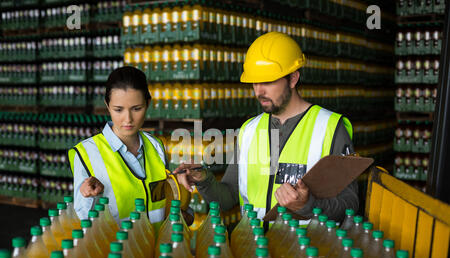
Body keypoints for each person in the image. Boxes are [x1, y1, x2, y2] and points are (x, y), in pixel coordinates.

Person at [174, 32, 359, 227]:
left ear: (293, 78)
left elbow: (350, 205)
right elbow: (227, 198)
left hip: (305, 254)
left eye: (268, 82)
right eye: (255, 82)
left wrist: (308, 205)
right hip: (254, 251)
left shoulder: (329, 128)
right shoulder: (250, 131)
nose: (258, 91)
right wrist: (203, 180)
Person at [68, 66, 193, 231]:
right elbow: (82, 221)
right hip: (116, 254)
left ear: (148, 104)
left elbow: (163, 202)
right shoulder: (87, 153)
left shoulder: (156, 146)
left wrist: (184, 207)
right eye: (118, 110)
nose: (128, 119)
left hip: (156, 252)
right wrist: (87, 196)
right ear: (107, 105)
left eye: (136, 109)